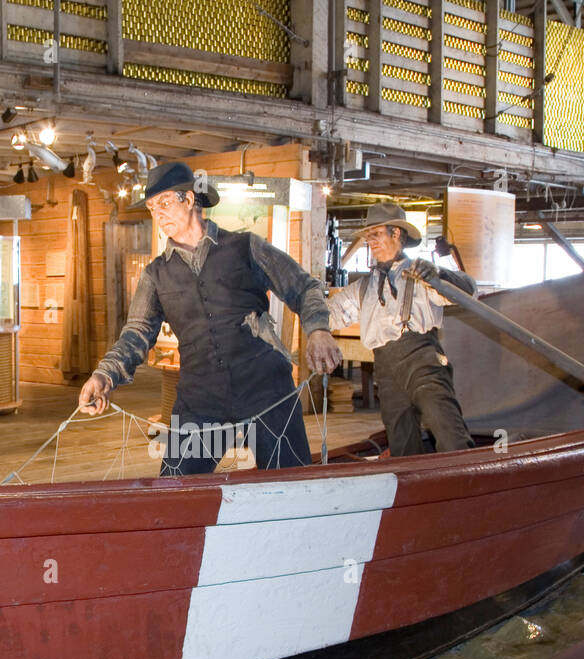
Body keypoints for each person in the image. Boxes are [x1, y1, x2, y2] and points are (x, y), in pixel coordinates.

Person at [79, 161, 343, 475]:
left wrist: (318, 330)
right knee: (176, 487)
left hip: (265, 387)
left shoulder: (245, 247)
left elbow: (304, 286)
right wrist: (104, 375)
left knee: (290, 481)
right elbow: (136, 333)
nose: (158, 214)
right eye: (151, 207)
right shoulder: (156, 274)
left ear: (189, 200)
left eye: (164, 203)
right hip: (201, 397)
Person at [328, 203, 477, 456]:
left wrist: (439, 274)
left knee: (447, 429)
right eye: (368, 236)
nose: (370, 241)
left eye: (376, 234)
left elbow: (469, 290)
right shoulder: (363, 288)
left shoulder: (422, 276)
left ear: (396, 233)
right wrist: (302, 299)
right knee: (401, 441)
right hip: (385, 368)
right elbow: (329, 315)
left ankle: (465, 482)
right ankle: (414, 488)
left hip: (423, 361)